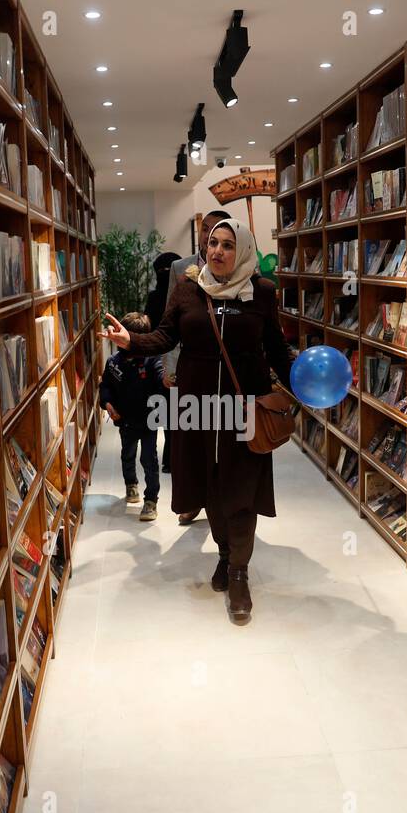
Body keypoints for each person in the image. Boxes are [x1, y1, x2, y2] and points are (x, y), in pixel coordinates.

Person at [100, 219, 293, 625]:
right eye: (212, 244)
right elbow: (167, 336)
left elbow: (275, 348)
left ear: (242, 251)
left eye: (226, 245)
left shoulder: (261, 293)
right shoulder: (189, 289)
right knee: (211, 485)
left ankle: (238, 573)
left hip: (245, 408)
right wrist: (131, 342)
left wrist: (304, 383)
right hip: (195, 409)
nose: (217, 251)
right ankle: (224, 556)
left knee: (241, 487)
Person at [168, 209, 232, 523]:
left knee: (221, 442)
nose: (209, 236)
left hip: (225, 372)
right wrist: (169, 367)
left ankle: (221, 503)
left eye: (217, 231)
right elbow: (171, 323)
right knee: (190, 439)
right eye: (206, 229)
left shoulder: (241, 272)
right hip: (190, 369)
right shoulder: (181, 269)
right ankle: (194, 500)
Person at [97, 312, 166, 522]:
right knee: (127, 454)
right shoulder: (114, 363)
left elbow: (162, 384)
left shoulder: (152, 362)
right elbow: (105, 385)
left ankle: (151, 500)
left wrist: (169, 384)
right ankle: (131, 484)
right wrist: (107, 404)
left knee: (149, 459)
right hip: (124, 419)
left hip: (148, 421)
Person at [145, 252, 182, 471]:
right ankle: (175, 457)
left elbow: (150, 329)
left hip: (159, 358)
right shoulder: (184, 294)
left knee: (167, 410)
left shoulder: (154, 296)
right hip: (178, 358)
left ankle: (169, 459)